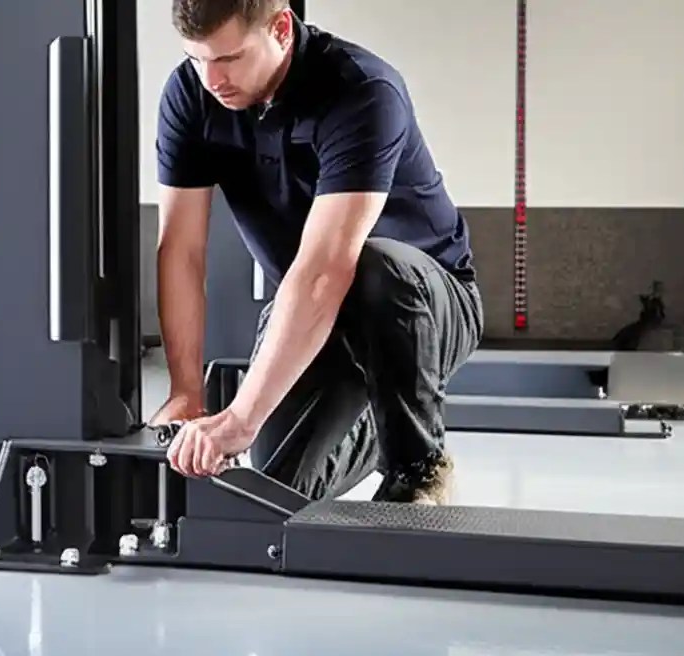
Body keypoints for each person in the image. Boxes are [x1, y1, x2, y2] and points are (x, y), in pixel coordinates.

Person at [149, 0, 484, 505]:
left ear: (281, 28)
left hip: (425, 307)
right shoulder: (190, 95)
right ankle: (380, 415)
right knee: (274, 492)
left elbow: (328, 268)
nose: (212, 79)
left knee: (373, 266)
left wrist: (241, 418)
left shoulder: (362, 91)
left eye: (230, 58)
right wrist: (185, 393)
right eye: (198, 60)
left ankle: (419, 470)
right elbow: (181, 251)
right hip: (315, 312)